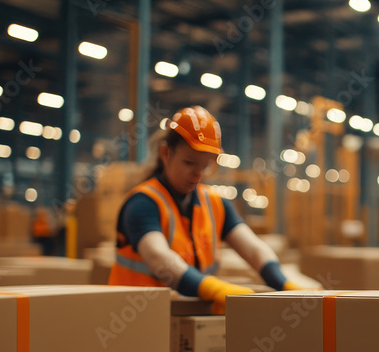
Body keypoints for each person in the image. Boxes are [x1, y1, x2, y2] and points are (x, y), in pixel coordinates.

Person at [109, 106, 302, 314]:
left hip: (184, 319)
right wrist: (215, 288)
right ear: (166, 153)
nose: (197, 174)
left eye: (204, 166)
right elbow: (159, 258)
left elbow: (254, 249)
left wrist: (284, 285)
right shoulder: (143, 203)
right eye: (189, 162)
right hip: (135, 319)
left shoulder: (214, 204)